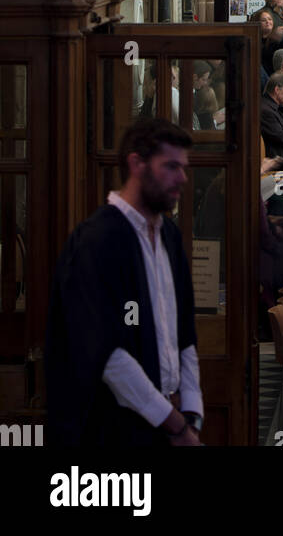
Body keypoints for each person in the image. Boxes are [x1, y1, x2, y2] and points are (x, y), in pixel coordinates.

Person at [46, 119, 203, 446]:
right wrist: (175, 424)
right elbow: (106, 354)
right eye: (171, 167)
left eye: (183, 168)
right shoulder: (97, 240)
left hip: (169, 422)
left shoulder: (170, 236)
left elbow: (184, 331)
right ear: (136, 164)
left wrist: (192, 412)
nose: (182, 178)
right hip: (114, 428)